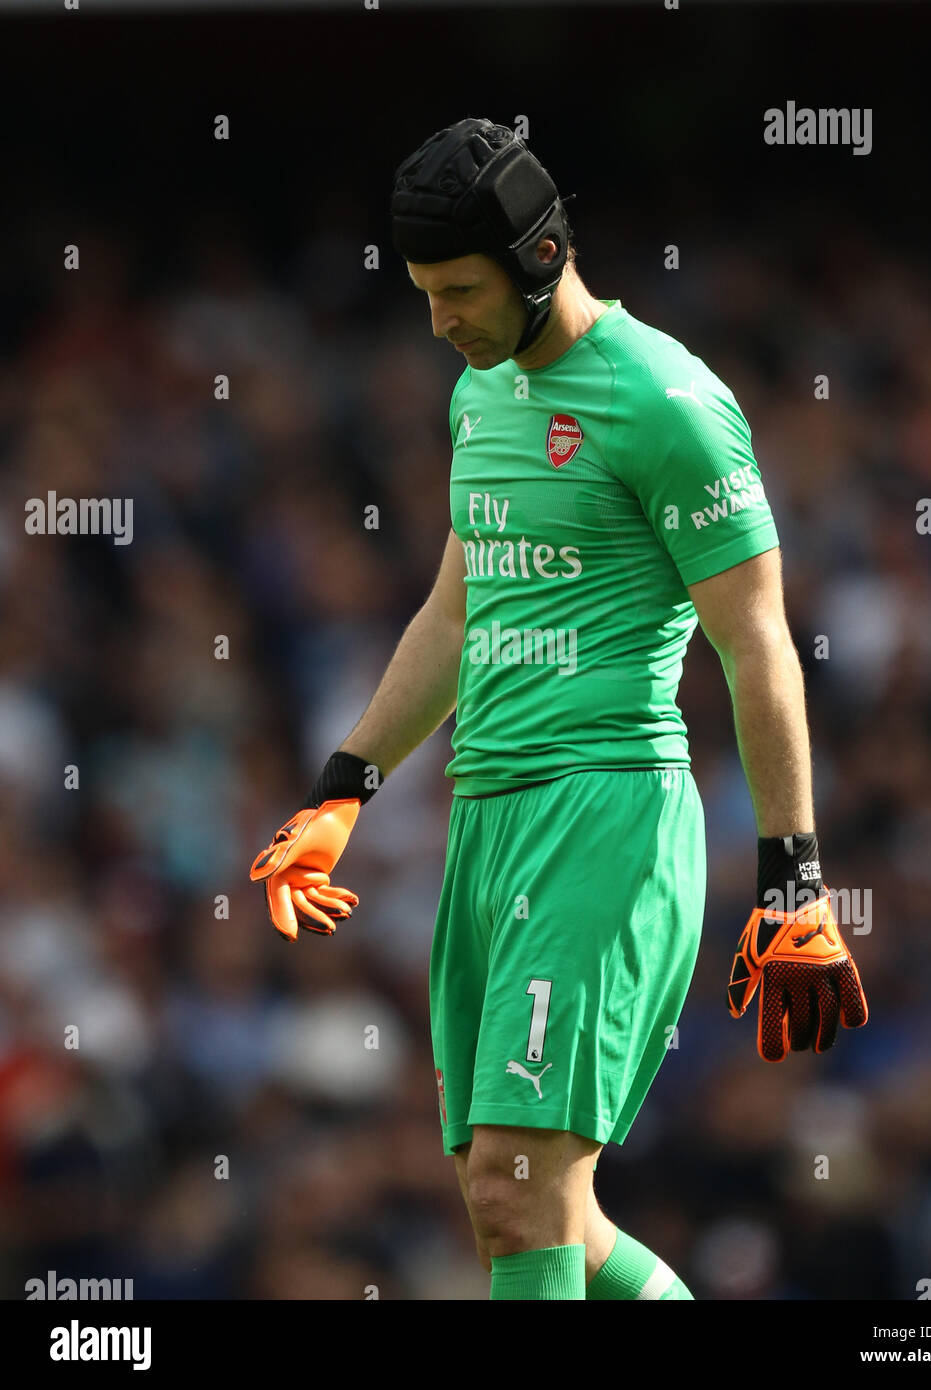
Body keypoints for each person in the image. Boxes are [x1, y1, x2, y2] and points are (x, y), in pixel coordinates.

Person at [249, 117, 868, 1301]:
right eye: (425, 296)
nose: (441, 324)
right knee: (531, 1217)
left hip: (606, 813)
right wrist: (345, 784)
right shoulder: (481, 392)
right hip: (486, 821)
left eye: (460, 292)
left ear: (540, 257)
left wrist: (792, 876)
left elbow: (757, 645)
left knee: (515, 1182)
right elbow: (455, 610)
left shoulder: (668, 402)